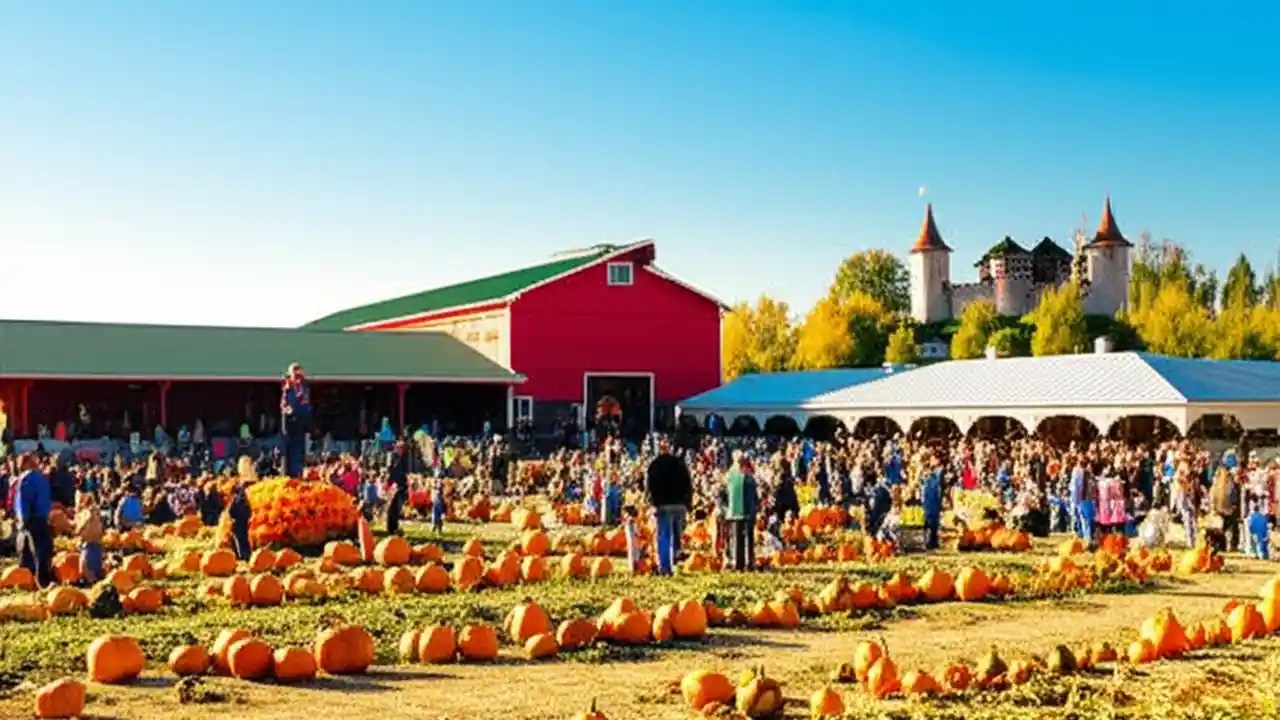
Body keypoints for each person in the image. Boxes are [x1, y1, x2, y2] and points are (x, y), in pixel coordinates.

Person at [645, 438, 693, 575]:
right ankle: (676, 557)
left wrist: (651, 502)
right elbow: (687, 484)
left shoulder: (655, 465)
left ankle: (666, 568)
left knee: (664, 536)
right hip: (679, 505)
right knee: (677, 534)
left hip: (663, 505)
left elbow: (650, 486)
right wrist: (688, 503)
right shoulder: (679, 464)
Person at [12, 454, 55, 587]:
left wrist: (22, 519)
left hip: (31, 518)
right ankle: (42, 577)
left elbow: (23, 501)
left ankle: (28, 579)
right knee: (42, 549)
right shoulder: (41, 478)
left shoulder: (26, 479)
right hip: (42, 517)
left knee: (28, 550)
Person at [724, 450, 758, 571]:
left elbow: (723, 494)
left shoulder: (730, 477)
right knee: (744, 538)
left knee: (740, 538)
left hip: (737, 511)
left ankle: (741, 563)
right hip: (742, 511)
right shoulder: (747, 477)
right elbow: (755, 496)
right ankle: (745, 563)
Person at [280, 363, 312, 479]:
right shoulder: (288, 388)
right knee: (289, 451)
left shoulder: (304, 387)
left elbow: (305, 403)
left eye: (300, 372)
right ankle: (289, 474)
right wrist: (289, 410)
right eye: (295, 372)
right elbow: (285, 405)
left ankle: (298, 472)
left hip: (301, 423)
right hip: (290, 424)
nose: (298, 375)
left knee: (299, 451)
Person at [75, 492, 104, 584]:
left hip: (89, 542)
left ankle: (93, 582)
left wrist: (78, 530)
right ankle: (94, 580)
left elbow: (85, 521)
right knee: (95, 563)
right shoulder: (97, 511)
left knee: (84, 565)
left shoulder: (88, 511)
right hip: (97, 542)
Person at [385, 440, 409, 535]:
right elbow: (391, 471)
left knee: (397, 507)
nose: (402, 450)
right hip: (394, 485)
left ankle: (394, 526)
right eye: (401, 448)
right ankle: (391, 527)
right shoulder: (393, 457)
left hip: (400, 485)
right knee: (392, 507)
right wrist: (392, 484)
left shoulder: (402, 458)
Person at [921, 456, 943, 550]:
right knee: (928, 519)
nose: (931, 462)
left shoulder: (939, 472)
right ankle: (928, 541)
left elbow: (940, 486)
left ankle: (933, 541)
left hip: (934, 498)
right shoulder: (928, 472)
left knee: (934, 521)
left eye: (933, 459)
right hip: (928, 498)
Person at [227, 482, 252, 561]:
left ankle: (241, 556)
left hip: (237, 523)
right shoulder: (246, 501)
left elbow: (231, 512)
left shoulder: (234, 501)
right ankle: (247, 555)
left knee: (239, 540)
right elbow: (249, 512)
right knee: (245, 540)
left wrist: (233, 519)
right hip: (244, 523)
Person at [429, 468, 447, 533]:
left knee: (438, 515)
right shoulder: (437, 482)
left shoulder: (441, 482)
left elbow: (439, 489)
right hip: (437, 500)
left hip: (440, 500)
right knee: (436, 514)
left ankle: (438, 528)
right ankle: (435, 527)